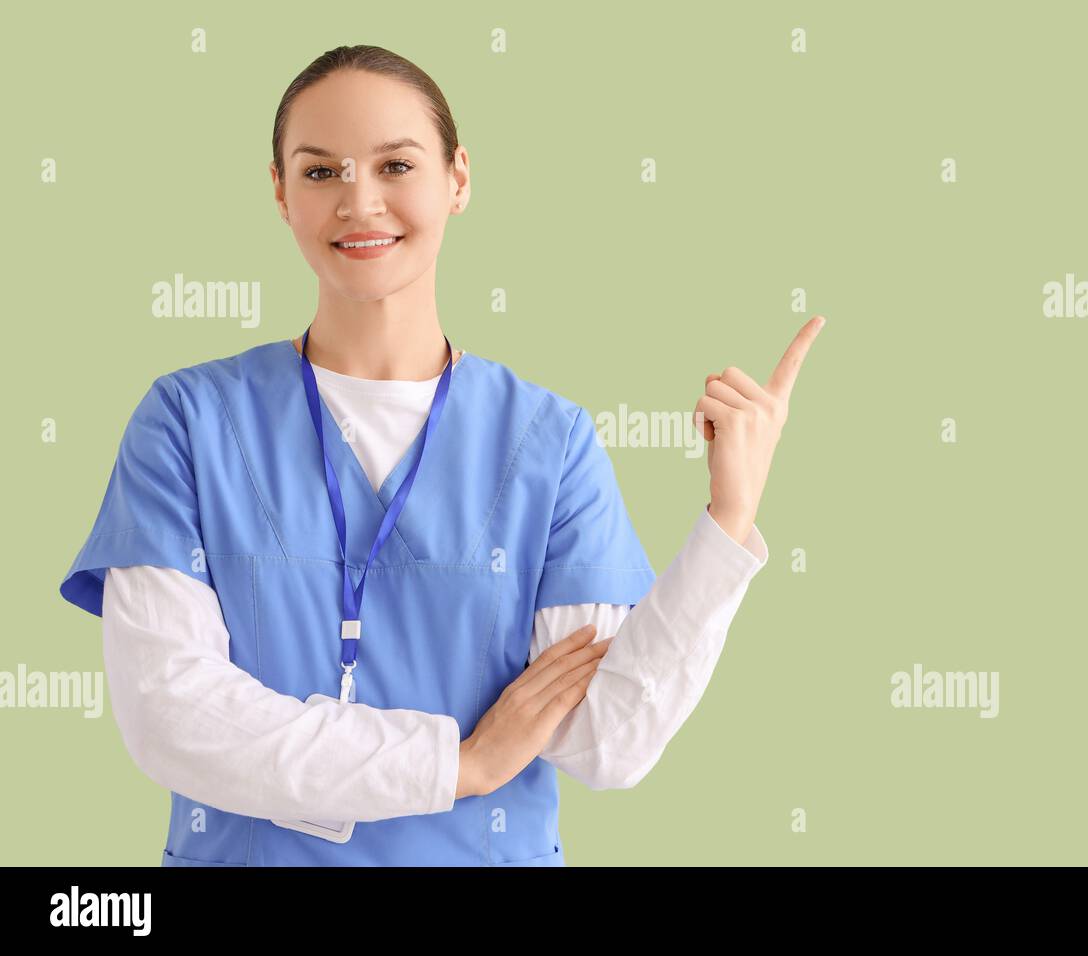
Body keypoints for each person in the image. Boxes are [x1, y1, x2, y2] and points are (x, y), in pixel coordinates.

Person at [57, 44, 825, 866]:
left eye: (395, 164)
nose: (360, 201)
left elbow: (606, 740)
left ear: (458, 178)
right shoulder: (186, 423)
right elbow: (172, 716)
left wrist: (729, 518)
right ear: (279, 191)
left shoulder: (547, 442)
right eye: (321, 172)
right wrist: (458, 765)